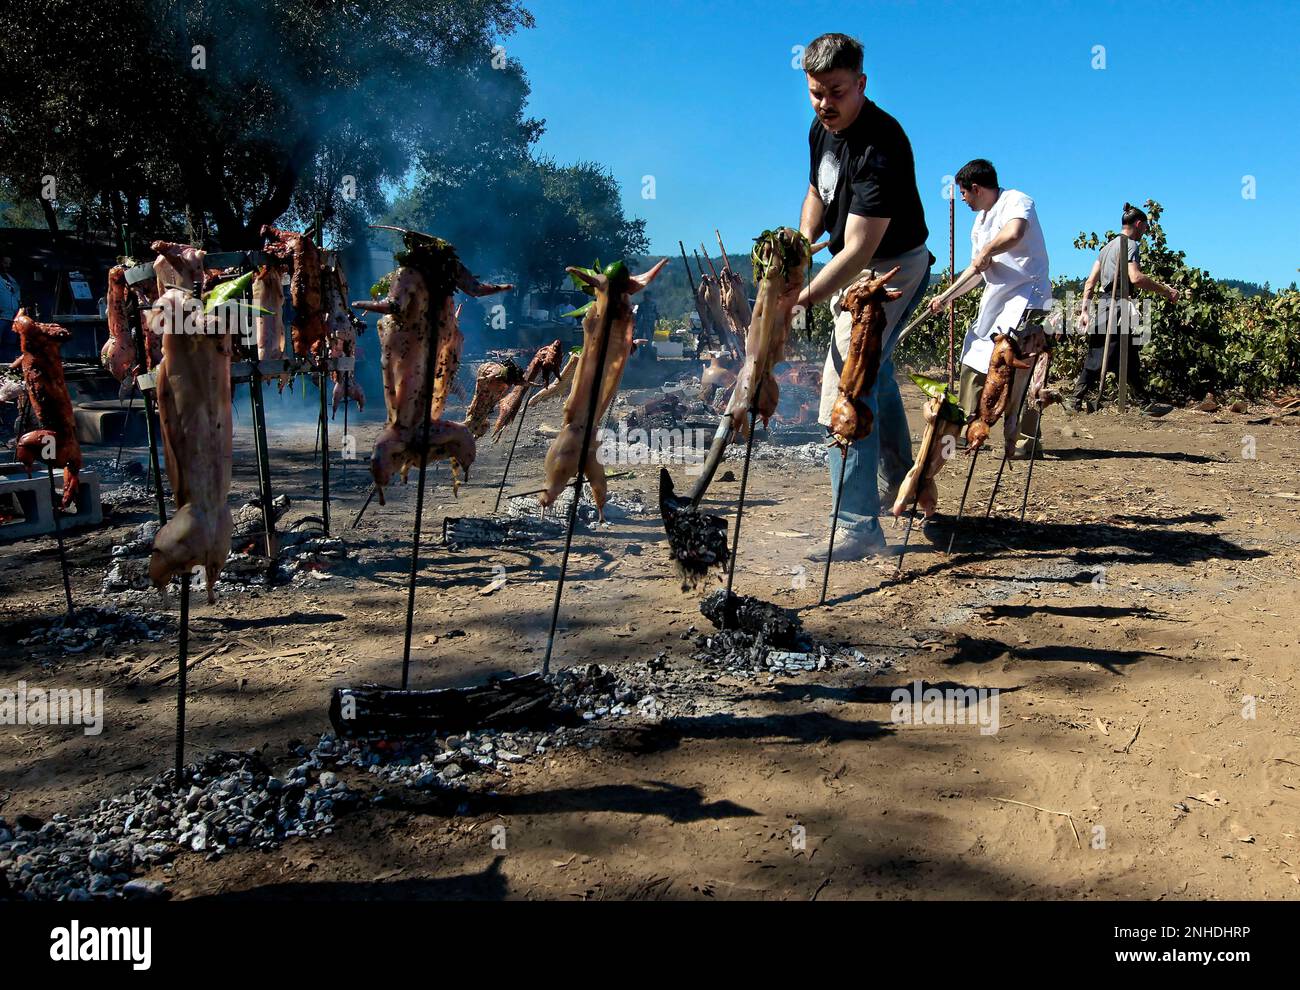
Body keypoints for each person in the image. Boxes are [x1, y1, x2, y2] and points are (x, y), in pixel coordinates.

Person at [795, 32, 933, 562]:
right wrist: (800, 245)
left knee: (845, 390)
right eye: (814, 92)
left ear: (861, 83)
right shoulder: (821, 129)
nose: (824, 104)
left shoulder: (882, 145)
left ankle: (855, 526)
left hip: (891, 267)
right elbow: (815, 193)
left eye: (835, 91)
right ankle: (908, 480)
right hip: (851, 264)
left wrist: (798, 300)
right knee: (877, 376)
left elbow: (856, 252)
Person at [932, 160, 1052, 458]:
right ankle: (967, 427)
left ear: (976, 188)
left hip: (1028, 297)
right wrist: (947, 296)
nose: (961, 199)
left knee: (1024, 369)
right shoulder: (979, 223)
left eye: (963, 193)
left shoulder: (1017, 200)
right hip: (997, 298)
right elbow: (976, 271)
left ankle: (1023, 439)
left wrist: (988, 251)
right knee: (973, 352)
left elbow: (1015, 233)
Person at [1070, 203, 1180, 411]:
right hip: (1119, 304)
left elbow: (1089, 283)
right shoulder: (1130, 245)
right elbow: (1136, 278)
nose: (1145, 233)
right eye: (1145, 228)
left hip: (1104, 303)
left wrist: (1085, 310)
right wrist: (1166, 290)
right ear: (1138, 224)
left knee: (1126, 355)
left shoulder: (1105, 249)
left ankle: (1144, 403)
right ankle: (1075, 399)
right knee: (1101, 354)